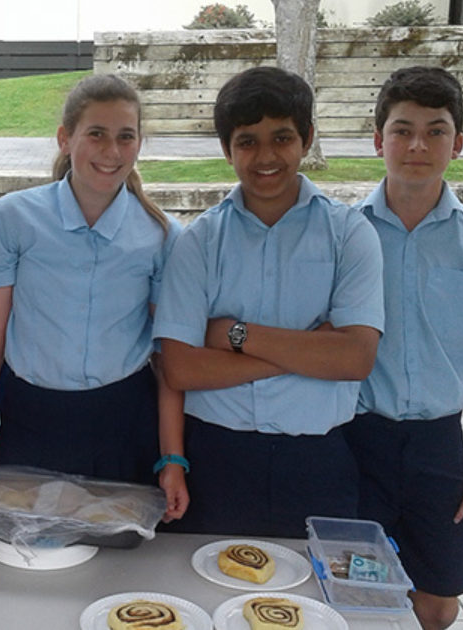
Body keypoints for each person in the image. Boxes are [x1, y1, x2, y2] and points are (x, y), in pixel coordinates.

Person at [0, 74, 188, 523]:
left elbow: (166, 358)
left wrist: (172, 460)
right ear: (65, 138)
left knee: (116, 570)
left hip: (124, 425)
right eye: (96, 134)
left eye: (126, 137)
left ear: (140, 143)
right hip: (32, 422)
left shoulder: (160, 234)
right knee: (29, 568)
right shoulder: (16, 218)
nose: (111, 151)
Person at [152, 66, 384, 537]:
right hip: (216, 457)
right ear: (226, 149)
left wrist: (236, 337)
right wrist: (308, 353)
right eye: (247, 141)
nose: (266, 156)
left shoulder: (349, 233)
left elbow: (356, 357)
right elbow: (179, 368)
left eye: (281, 138)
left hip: (318, 460)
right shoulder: (199, 241)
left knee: (314, 603)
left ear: (307, 139)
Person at [345, 66, 463, 630]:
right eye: (402, 130)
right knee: (352, 588)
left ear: (459, 143)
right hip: (356, 438)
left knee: (438, 603)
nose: (417, 145)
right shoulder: (345, 231)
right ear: (378, 140)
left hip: (436, 445)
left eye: (436, 130)